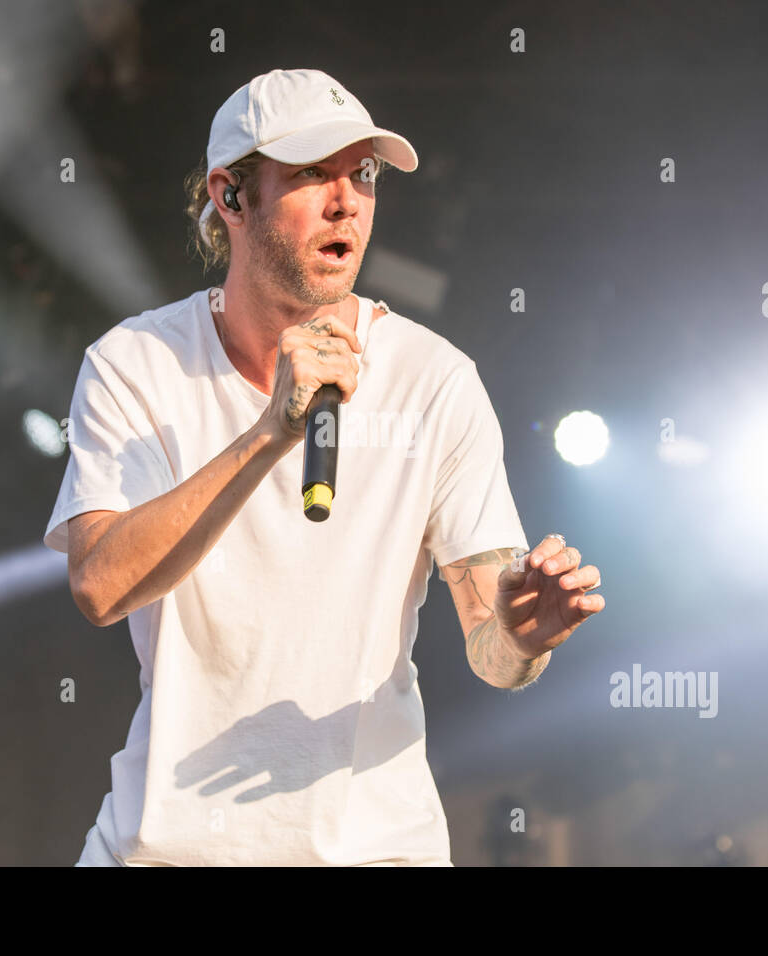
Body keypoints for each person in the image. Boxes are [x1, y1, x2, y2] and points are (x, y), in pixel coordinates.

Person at [43, 68, 605, 866]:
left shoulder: (434, 378)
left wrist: (523, 636)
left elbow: (492, 650)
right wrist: (270, 432)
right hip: (165, 848)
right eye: (313, 175)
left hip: (373, 849)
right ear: (231, 198)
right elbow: (100, 584)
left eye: (364, 176)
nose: (347, 202)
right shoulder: (136, 365)